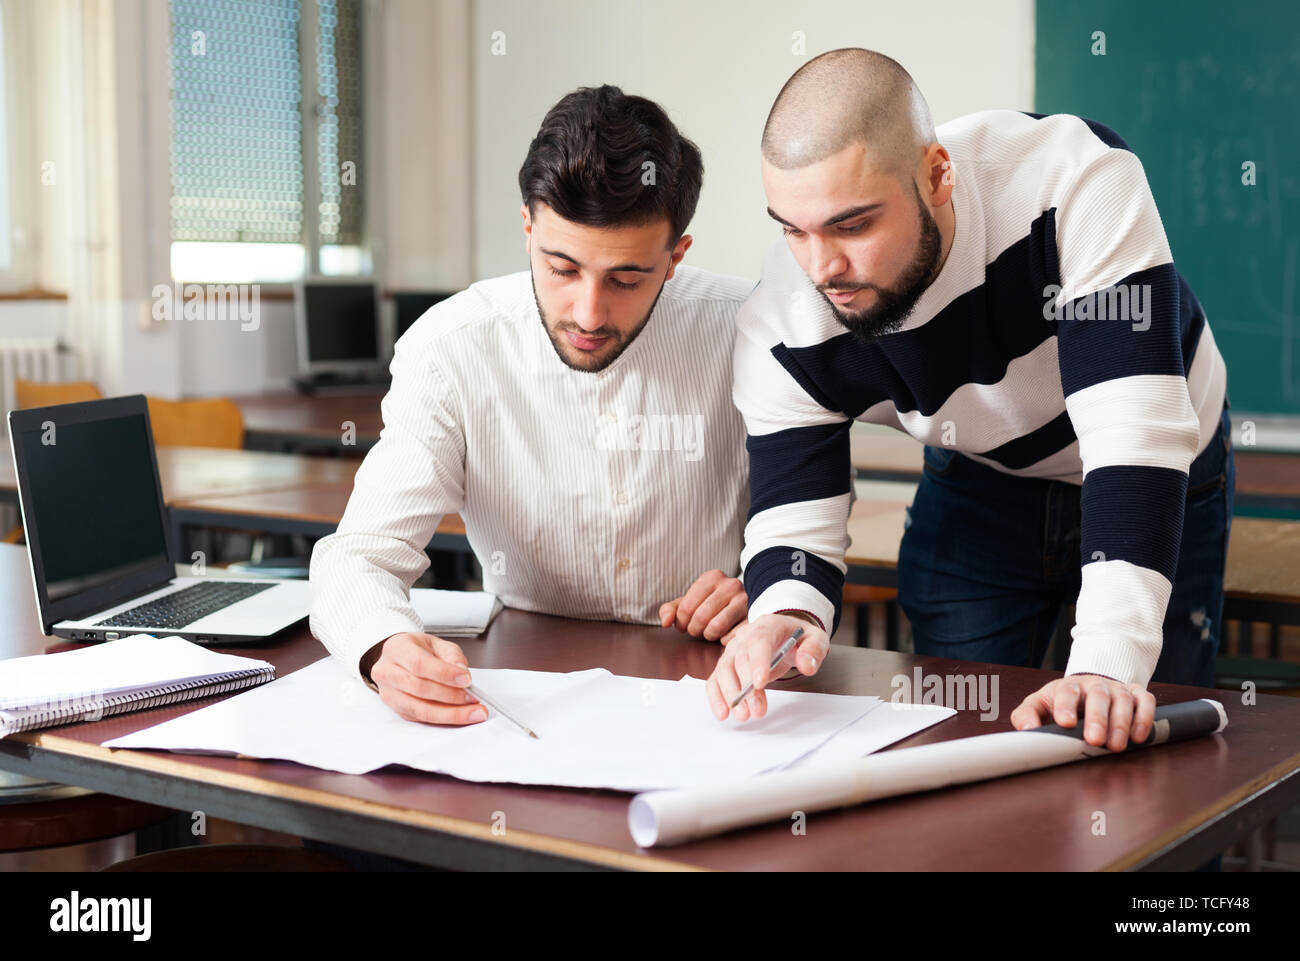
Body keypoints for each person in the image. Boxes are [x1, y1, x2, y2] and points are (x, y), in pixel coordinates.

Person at [709, 48, 1232, 755]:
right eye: (794, 229)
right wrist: (783, 612)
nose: (822, 267)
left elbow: (1133, 436)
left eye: (853, 225)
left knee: (1142, 750)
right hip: (981, 478)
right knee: (956, 740)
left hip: (1157, 470)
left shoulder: (1076, 178)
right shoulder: (780, 323)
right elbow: (797, 521)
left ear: (937, 174)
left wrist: (1107, 666)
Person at [311, 85, 753, 725]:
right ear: (527, 228)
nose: (588, 314)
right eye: (562, 268)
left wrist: (764, 589)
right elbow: (358, 558)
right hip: (528, 690)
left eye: (627, 279)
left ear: (676, 257)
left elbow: (807, 530)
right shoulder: (451, 349)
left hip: (715, 681)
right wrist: (383, 646)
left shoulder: (749, 330)